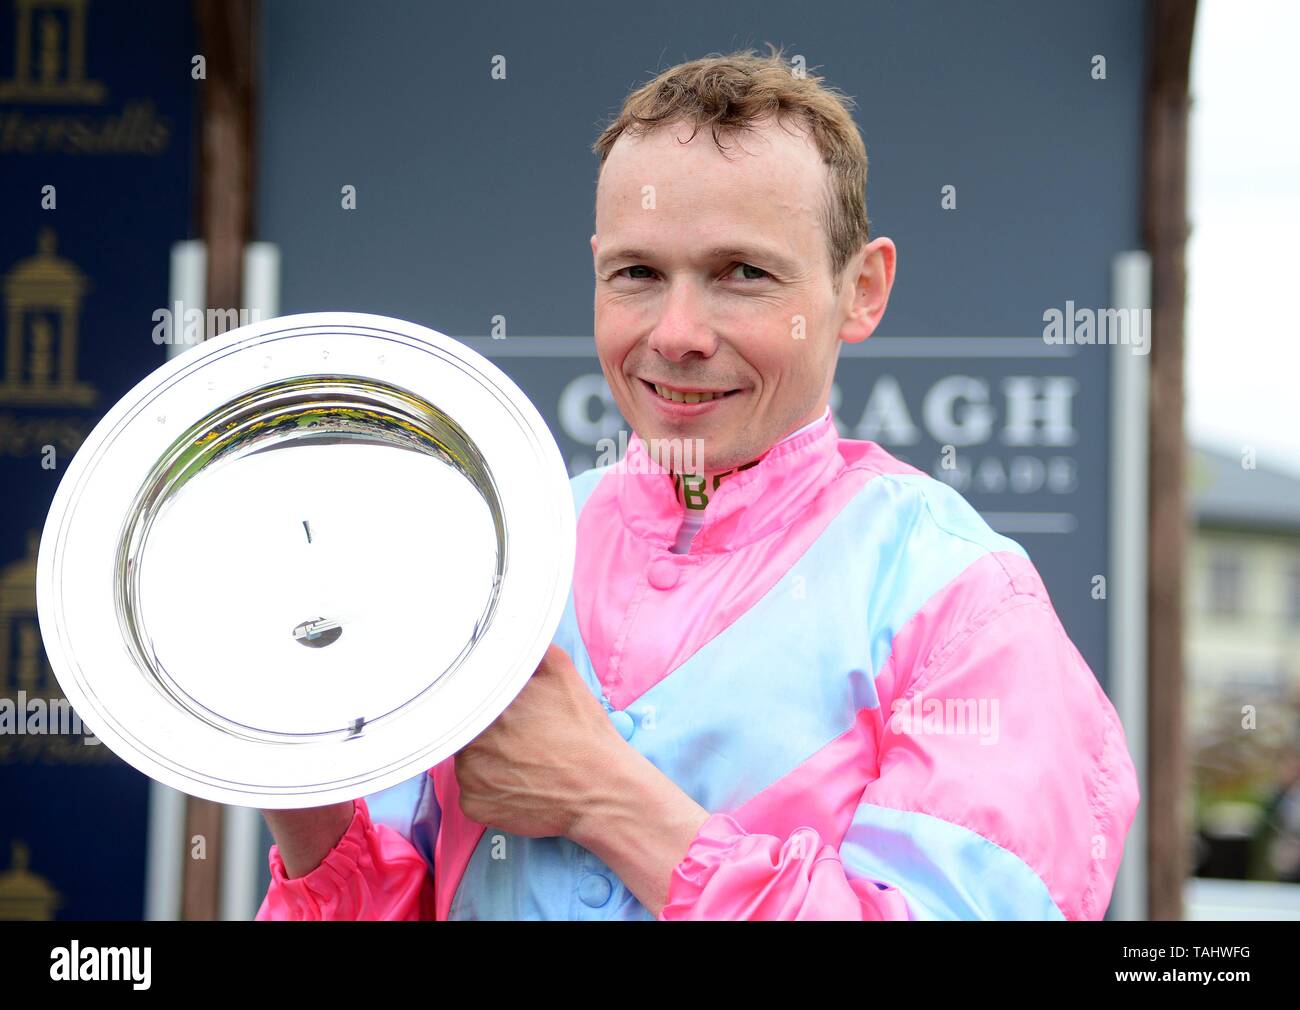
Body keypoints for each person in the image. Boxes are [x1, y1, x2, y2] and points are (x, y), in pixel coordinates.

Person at [256, 47, 1140, 921]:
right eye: (638, 273)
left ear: (860, 289)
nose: (677, 333)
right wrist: (295, 779)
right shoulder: (493, 551)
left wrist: (608, 798)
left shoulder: (966, 606)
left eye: (742, 274)